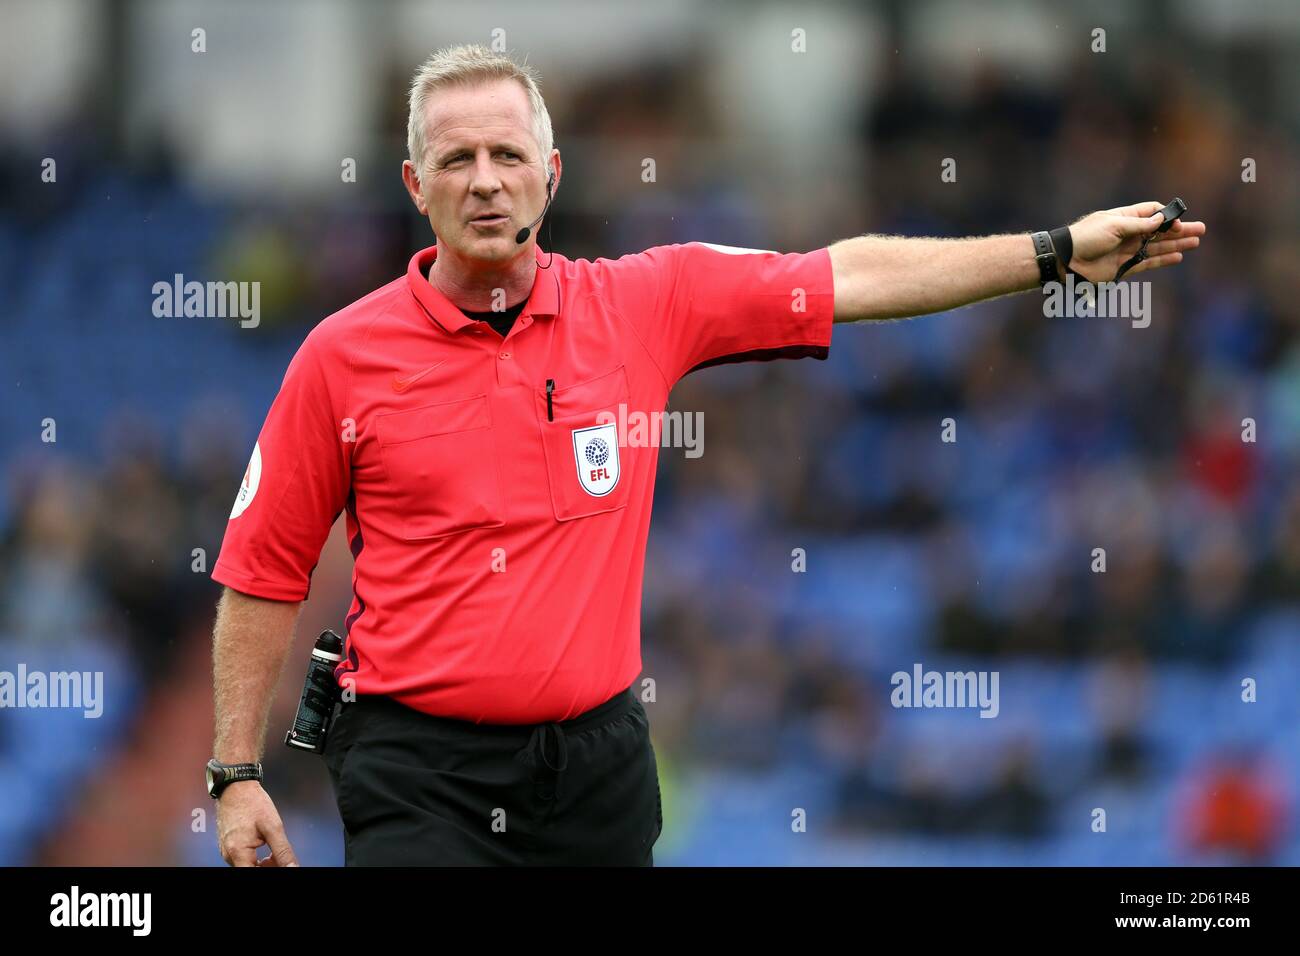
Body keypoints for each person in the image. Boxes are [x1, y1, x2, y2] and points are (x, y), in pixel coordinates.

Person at [207, 43, 1205, 867]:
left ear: (549, 177)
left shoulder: (642, 301)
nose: (484, 181)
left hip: (596, 771)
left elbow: (849, 273)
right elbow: (263, 569)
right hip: (418, 774)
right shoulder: (341, 357)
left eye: (507, 155)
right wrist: (235, 770)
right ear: (413, 182)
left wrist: (1052, 251)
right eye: (457, 158)